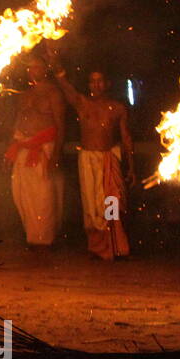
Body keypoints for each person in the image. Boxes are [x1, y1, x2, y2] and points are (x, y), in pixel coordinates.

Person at [54, 66, 134, 260]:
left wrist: (131, 167)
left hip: (109, 159)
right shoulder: (83, 104)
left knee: (112, 201)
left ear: (107, 84)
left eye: (100, 81)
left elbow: (126, 138)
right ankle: (97, 248)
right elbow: (67, 89)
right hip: (88, 159)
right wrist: (59, 72)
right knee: (92, 206)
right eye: (92, 81)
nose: (95, 85)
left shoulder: (117, 108)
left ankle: (116, 245)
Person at [6, 55, 65, 248]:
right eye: (30, 68)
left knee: (44, 198)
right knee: (22, 196)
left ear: (44, 69)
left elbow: (60, 125)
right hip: (23, 147)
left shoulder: (53, 93)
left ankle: (45, 241)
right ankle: (32, 239)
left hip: (43, 150)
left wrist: (55, 155)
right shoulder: (25, 94)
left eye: (37, 67)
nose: (33, 71)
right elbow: (18, 121)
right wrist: (10, 149)